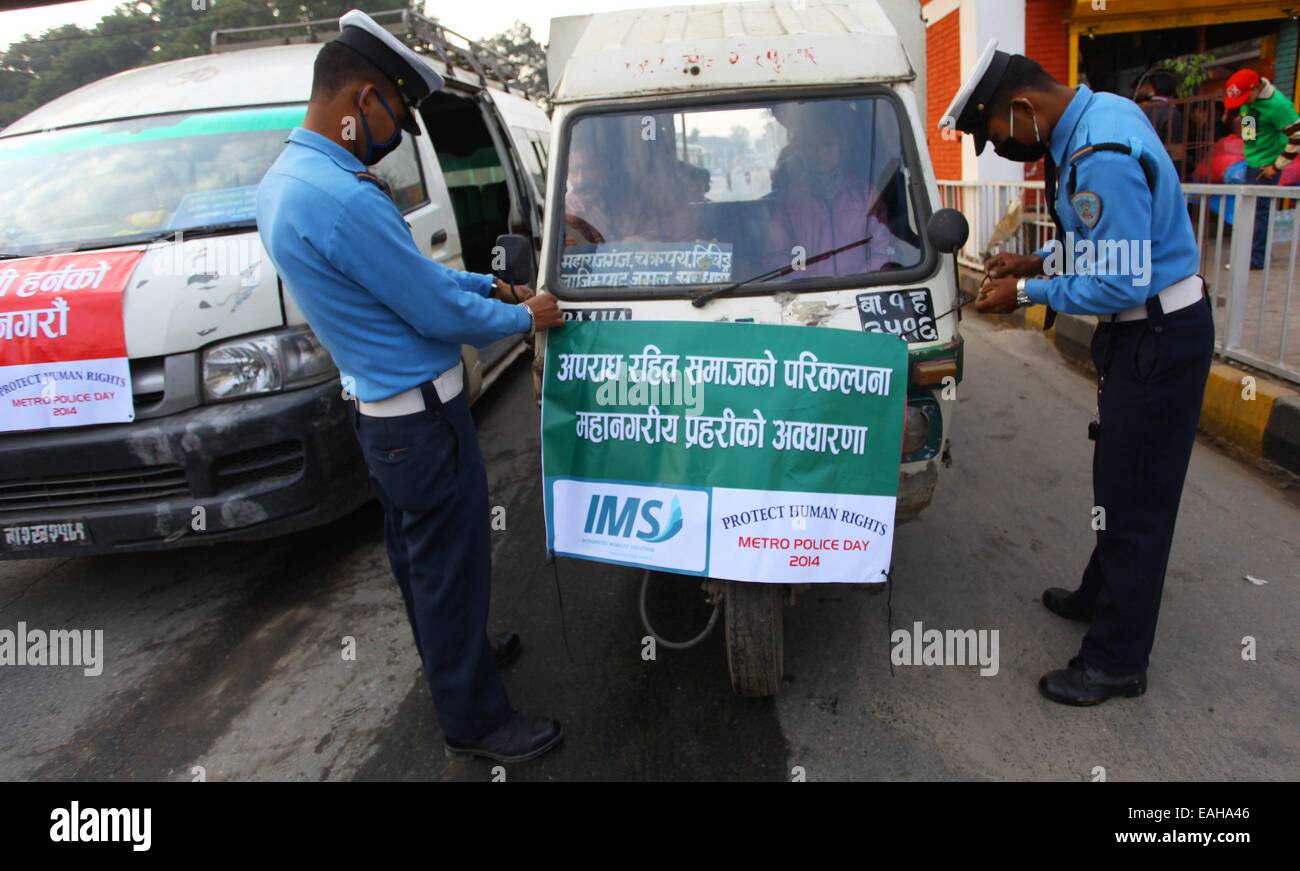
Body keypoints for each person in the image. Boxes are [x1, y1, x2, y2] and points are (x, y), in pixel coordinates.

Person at [256, 11, 565, 761]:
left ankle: (460, 664)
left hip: (381, 420)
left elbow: (404, 277)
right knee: (452, 565)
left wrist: (478, 283)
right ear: (361, 101)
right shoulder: (343, 195)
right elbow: (427, 309)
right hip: (421, 424)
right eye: (397, 112)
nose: (400, 132)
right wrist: (527, 314)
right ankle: (476, 721)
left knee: (422, 564)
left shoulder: (287, 182)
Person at [939, 42, 1214, 706]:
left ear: (1025, 107)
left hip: (1155, 333)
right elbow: (1105, 239)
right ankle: (1102, 593)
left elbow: (1118, 277)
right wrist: (1033, 265)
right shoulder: (1098, 121)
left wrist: (1027, 297)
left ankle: (1117, 660)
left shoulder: (1099, 154)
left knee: (1137, 500)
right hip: (1147, 334)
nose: (1001, 149)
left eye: (998, 134)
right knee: (1118, 479)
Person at [764, 105, 898, 278]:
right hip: (808, 298)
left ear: (841, 147)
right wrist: (809, 282)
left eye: (828, 145)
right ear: (804, 150)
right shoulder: (790, 199)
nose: (820, 154)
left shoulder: (865, 194)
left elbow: (882, 251)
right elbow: (777, 255)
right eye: (813, 145)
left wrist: (858, 282)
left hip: (861, 291)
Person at [1223, 67, 1300, 269]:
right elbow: (1249, 125)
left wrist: (1276, 166)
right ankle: (1247, 255)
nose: (1243, 103)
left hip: (1266, 166)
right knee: (1247, 211)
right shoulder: (1251, 101)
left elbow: (1297, 135)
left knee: (1259, 213)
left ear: (1256, 88)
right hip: (1252, 162)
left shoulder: (1279, 106)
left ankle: (1255, 259)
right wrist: (1248, 144)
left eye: (1245, 98)